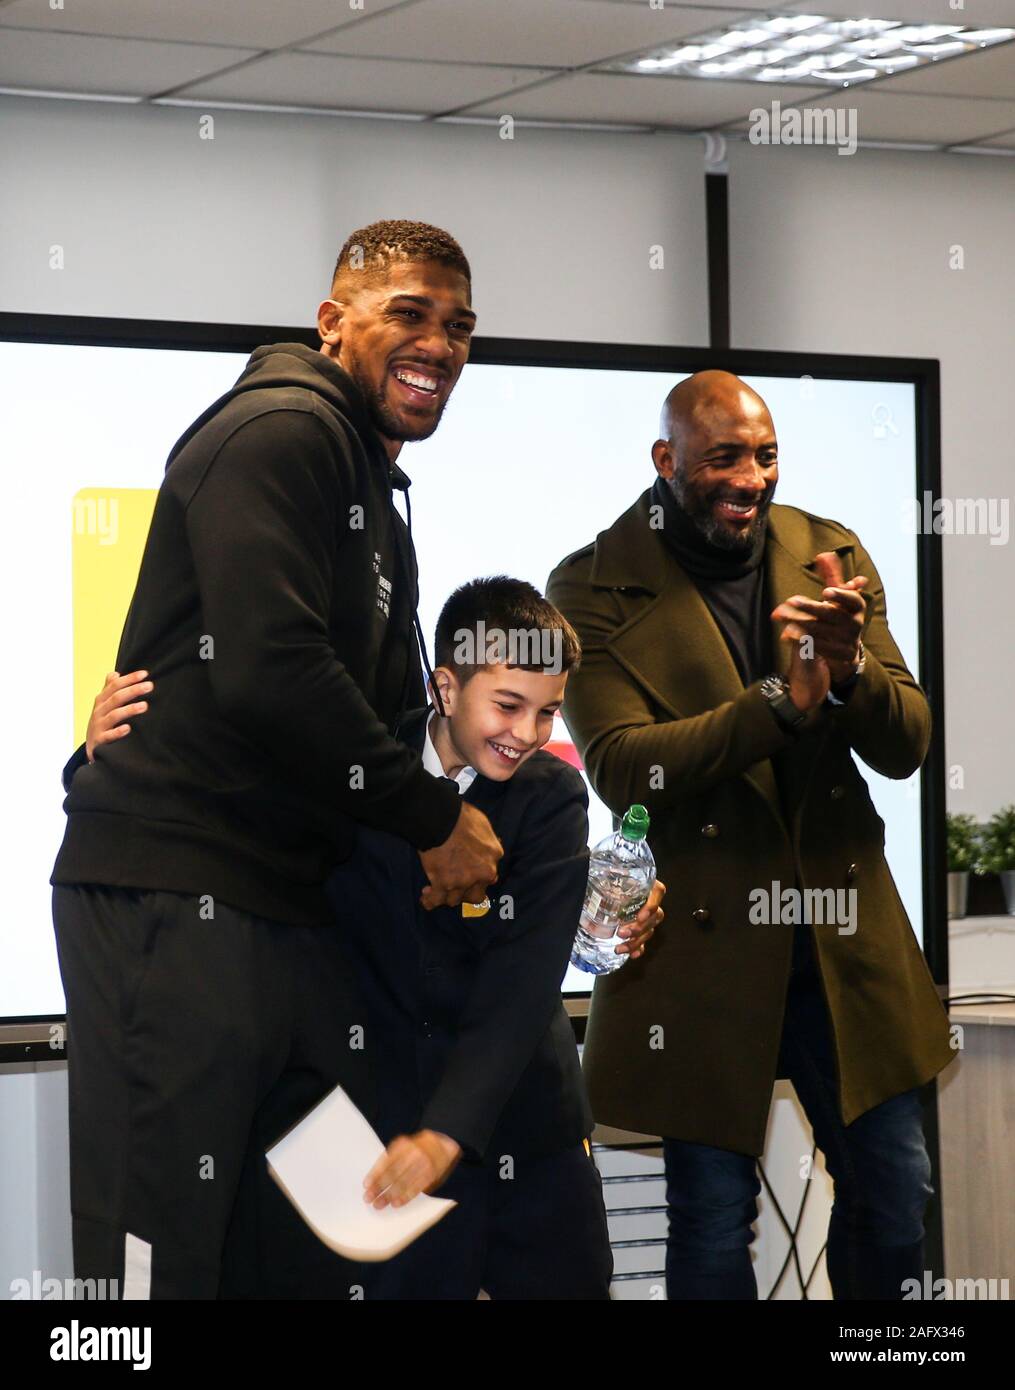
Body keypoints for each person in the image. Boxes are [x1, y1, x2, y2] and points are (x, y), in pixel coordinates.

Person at [50, 220, 505, 1299]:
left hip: (288, 913)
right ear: (331, 320)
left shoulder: (369, 483)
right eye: (408, 313)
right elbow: (272, 671)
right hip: (177, 896)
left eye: (459, 326)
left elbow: (381, 719)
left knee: (293, 1249)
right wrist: (436, 821)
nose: (438, 344)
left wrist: (521, 828)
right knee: (148, 1252)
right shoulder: (283, 431)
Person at [78, 577, 662, 1299]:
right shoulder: (353, 764)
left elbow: (523, 982)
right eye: (507, 706)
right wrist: (100, 756)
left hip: (522, 1125)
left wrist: (449, 1132)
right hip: (387, 1140)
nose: (528, 734)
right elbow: (221, 799)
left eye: (547, 713)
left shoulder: (551, 795)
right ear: (445, 688)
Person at [546, 370, 956, 1301]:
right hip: (699, 947)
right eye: (723, 456)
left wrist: (849, 675)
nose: (750, 477)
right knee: (709, 1224)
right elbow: (619, 763)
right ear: (667, 460)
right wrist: (782, 701)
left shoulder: (829, 553)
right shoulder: (590, 581)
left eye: (764, 455)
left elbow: (907, 746)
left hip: (838, 935)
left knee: (896, 1196)